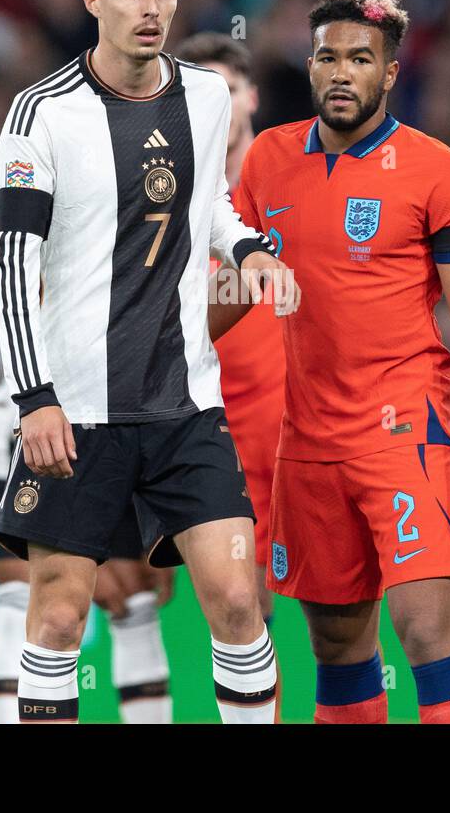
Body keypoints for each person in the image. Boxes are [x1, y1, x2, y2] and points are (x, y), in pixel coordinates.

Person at [0, 0, 298, 724]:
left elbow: (211, 204)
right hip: (78, 411)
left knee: (236, 599)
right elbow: (12, 260)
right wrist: (34, 397)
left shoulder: (206, 95)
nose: (149, 8)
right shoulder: (40, 113)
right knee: (57, 616)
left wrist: (253, 248)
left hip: (185, 404)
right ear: (93, 0)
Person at [215, 0, 450, 723]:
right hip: (308, 441)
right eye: (327, 57)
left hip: (403, 433)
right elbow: (228, 297)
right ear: (310, 67)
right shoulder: (267, 164)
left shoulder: (436, 171)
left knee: (424, 629)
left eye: (360, 58)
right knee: (339, 648)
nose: (341, 72)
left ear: (389, 73)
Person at [0, 381, 173, 723]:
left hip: (129, 415)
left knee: (134, 597)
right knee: (26, 596)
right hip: (34, 420)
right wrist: (78, 561)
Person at [178, 33, 284, 626]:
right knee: (242, 607)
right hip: (207, 432)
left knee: (341, 614)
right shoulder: (168, 200)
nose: (217, 102)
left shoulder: (292, 188)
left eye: (229, 88)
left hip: (297, 429)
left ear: (252, 98)